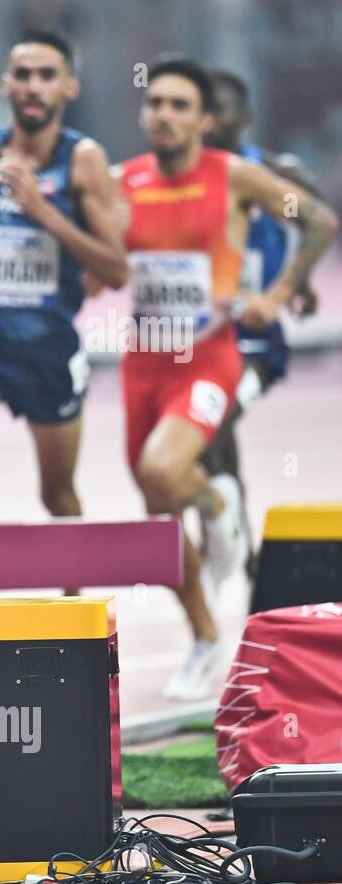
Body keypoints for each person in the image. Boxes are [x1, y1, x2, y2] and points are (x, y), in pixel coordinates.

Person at [116, 56, 336, 699]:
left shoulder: (236, 176)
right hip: (142, 361)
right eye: (155, 103)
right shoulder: (122, 179)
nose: (164, 114)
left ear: (205, 119)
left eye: (179, 105)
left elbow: (318, 220)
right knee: (158, 518)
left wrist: (280, 291)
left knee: (164, 469)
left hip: (209, 358)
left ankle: (218, 502)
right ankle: (206, 634)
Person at [0, 29, 128, 530]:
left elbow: (116, 269)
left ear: (69, 88)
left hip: (48, 347)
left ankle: (76, 604)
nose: (33, 86)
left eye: (47, 76)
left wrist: (44, 212)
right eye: (22, 75)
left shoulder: (83, 161)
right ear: (6, 85)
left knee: (58, 494)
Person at [199, 68, 324, 589]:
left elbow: (316, 221)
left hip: (255, 344)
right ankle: (232, 541)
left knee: (217, 417)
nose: (211, 121)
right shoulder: (184, 178)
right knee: (204, 437)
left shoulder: (274, 172)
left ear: (244, 117)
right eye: (204, 110)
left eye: (221, 110)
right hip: (201, 338)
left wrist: (294, 286)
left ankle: (232, 543)